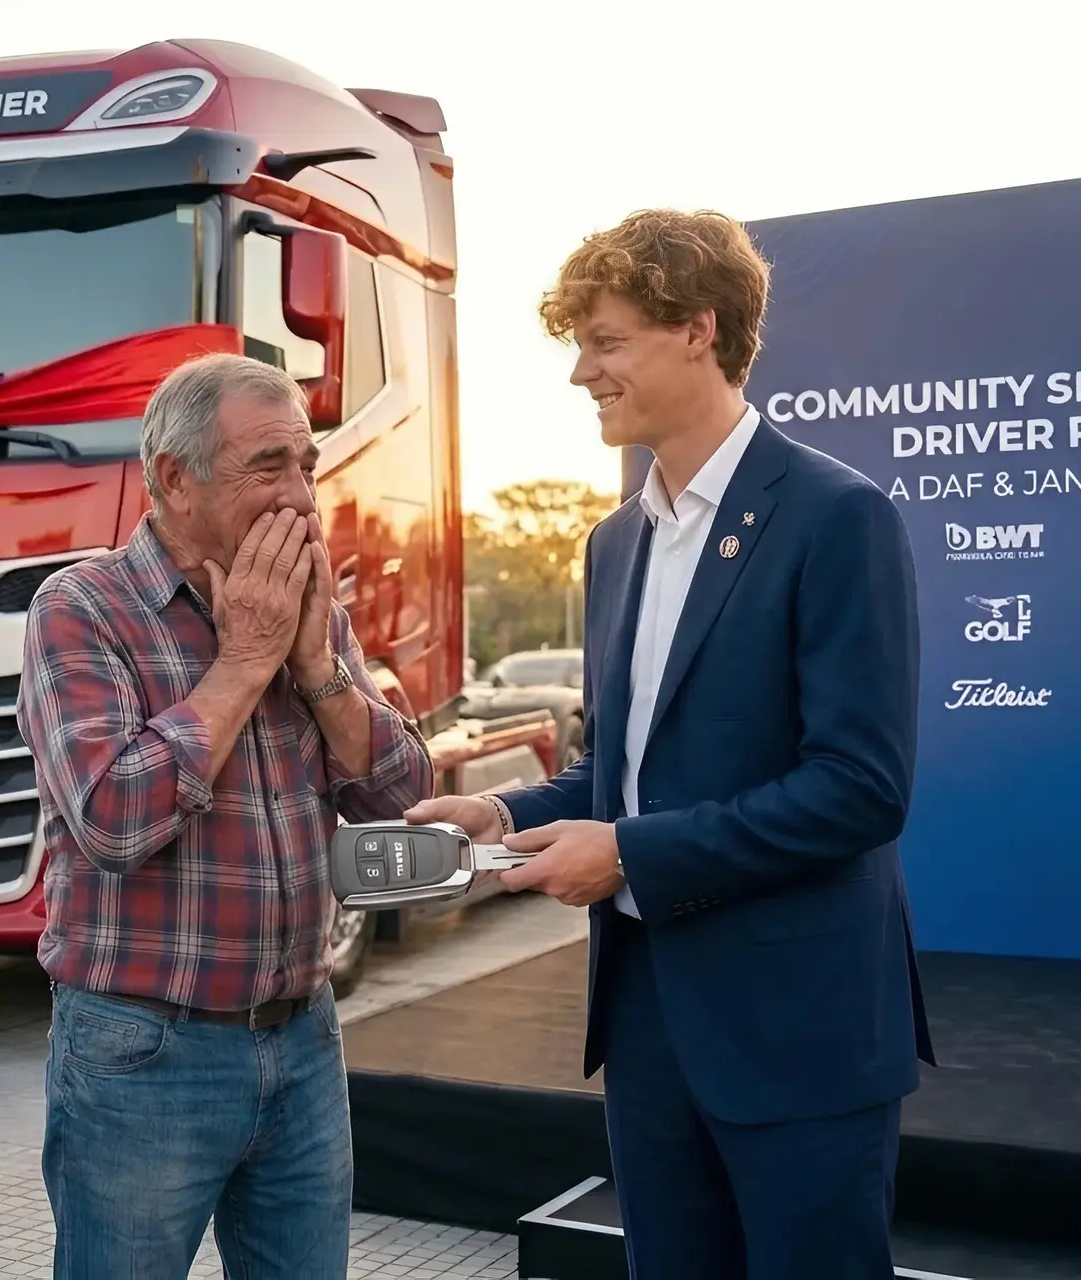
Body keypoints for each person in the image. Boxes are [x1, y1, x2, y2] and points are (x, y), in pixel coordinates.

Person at [408, 209, 934, 1278]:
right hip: (649, 1031)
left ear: (697, 330)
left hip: (798, 1040)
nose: (579, 373)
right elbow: (621, 770)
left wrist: (630, 855)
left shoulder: (838, 516)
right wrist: (503, 813)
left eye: (605, 342)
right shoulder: (615, 541)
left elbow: (858, 789)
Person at [18, 353, 434, 1279]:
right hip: (143, 1053)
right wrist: (245, 663)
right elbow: (112, 820)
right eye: (268, 467)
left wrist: (319, 674)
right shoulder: (80, 610)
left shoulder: (307, 610)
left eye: (307, 466)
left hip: (303, 1042)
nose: (300, 497)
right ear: (173, 478)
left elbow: (406, 802)